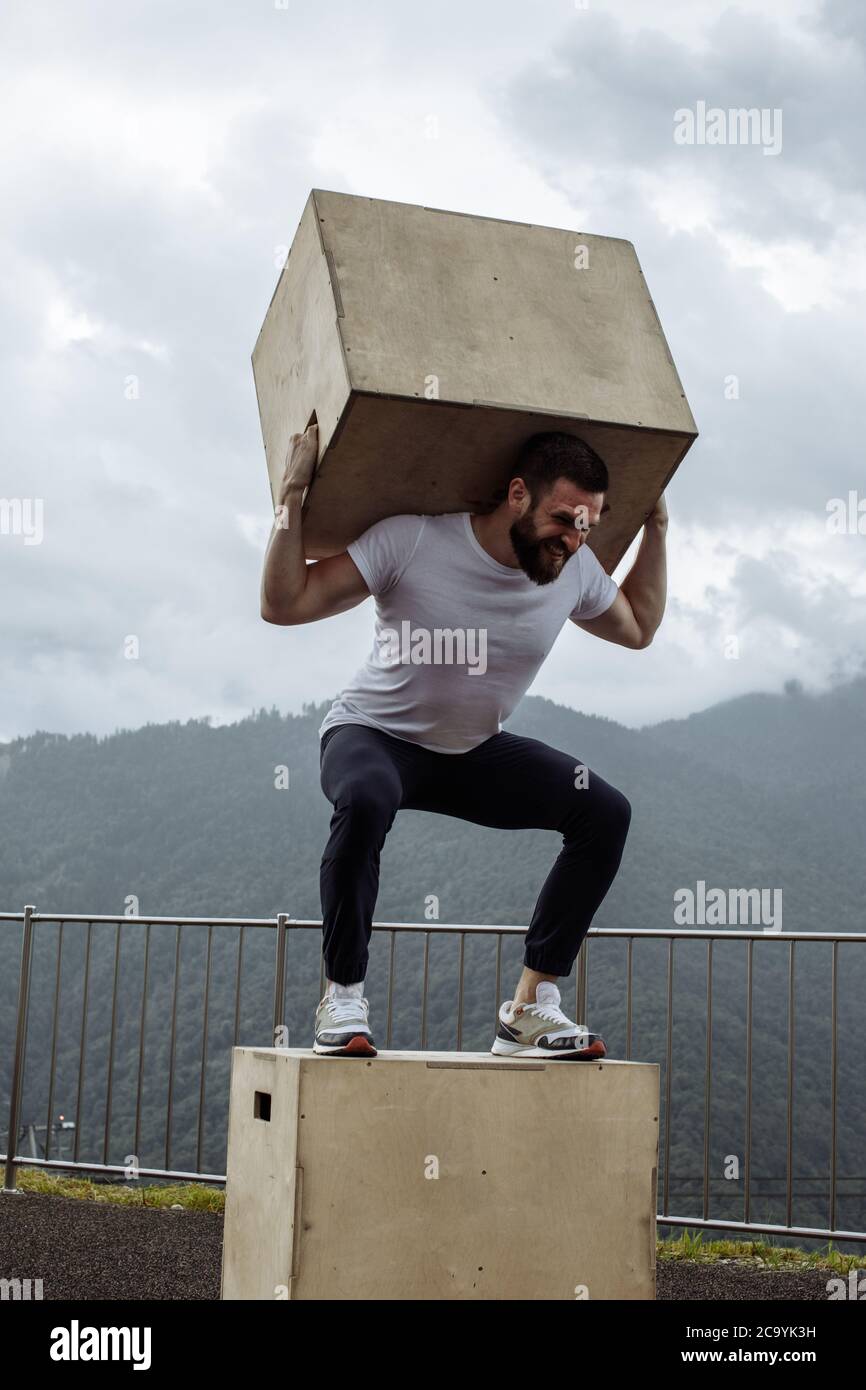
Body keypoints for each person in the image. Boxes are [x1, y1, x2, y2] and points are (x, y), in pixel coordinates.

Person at [261, 422, 668, 1059]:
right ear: (517, 495)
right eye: (564, 519)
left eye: (587, 526)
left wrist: (658, 528)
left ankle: (529, 1008)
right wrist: (292, 493)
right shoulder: (412, 540)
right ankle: (342, 997)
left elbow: (639, 627)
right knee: (366, 798)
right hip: (372, 735)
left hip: (471, 750)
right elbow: (284, 603)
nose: (573, 538)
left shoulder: (575, 570)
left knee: (604, 812)